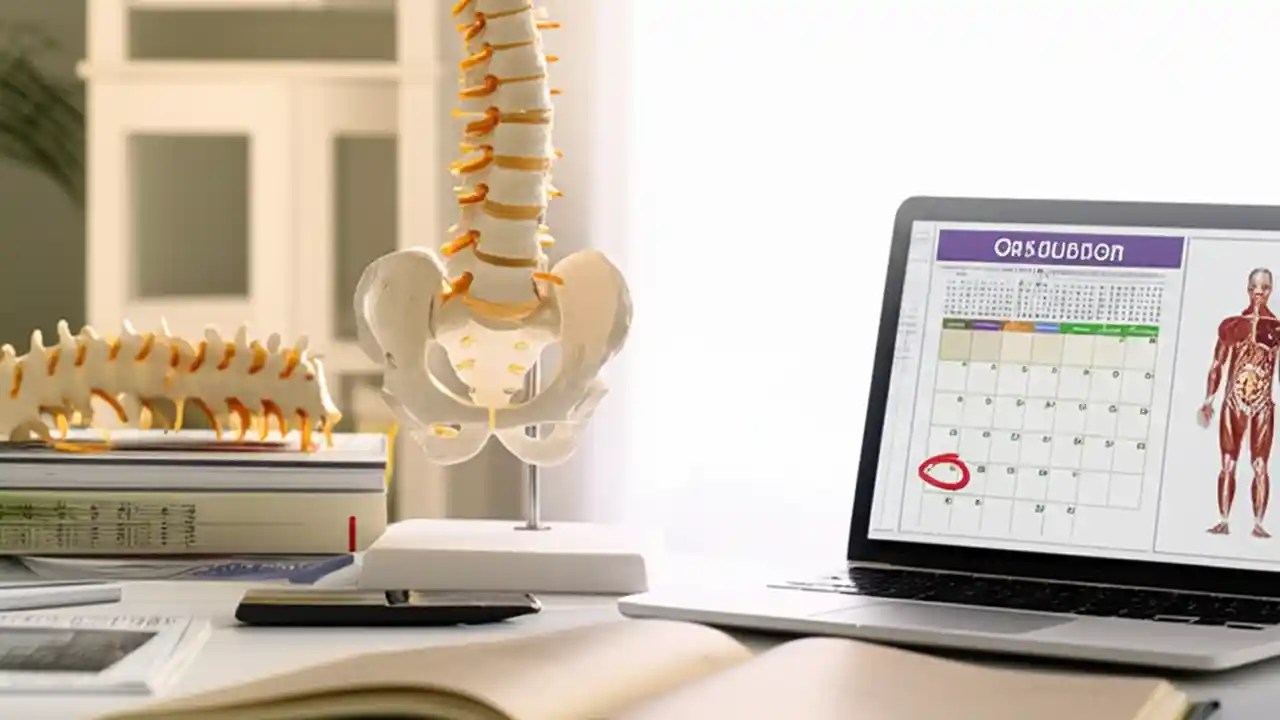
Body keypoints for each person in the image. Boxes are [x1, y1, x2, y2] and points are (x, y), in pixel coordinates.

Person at [1198, 267, 1280, 537]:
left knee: (1260, 466)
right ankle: (1224, 520)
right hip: (1233, 402)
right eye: (1255, 287)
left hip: (1262, 404)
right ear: (1247, 288)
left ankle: (1257, 523)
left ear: (1271, 290)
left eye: (1265, 288)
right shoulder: (1232, 325)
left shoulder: (1277, 329)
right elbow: (1217, 363)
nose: (1259, 293)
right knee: (1228, 463)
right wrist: (1208, 399)